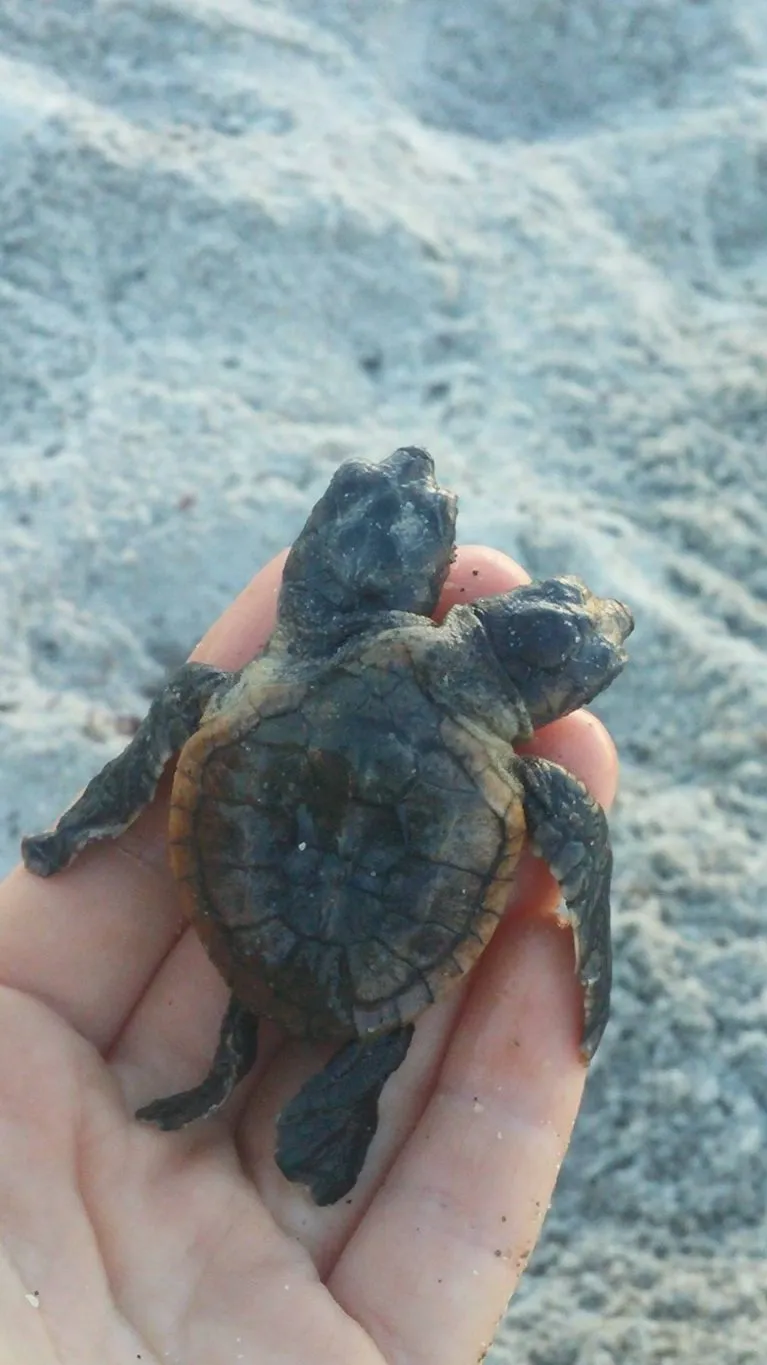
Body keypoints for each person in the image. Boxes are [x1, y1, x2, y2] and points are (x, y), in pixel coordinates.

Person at [0, 545, 619, 1365]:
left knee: (214, 694)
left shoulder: (354, 633)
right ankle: (351, 1071)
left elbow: (209, 693)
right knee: (388, 1028)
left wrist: (82, 826)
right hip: (376, 963)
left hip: (251, 905)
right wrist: (594, 975)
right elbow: (580, 863)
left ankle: (276, 1048)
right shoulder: (545, 790)